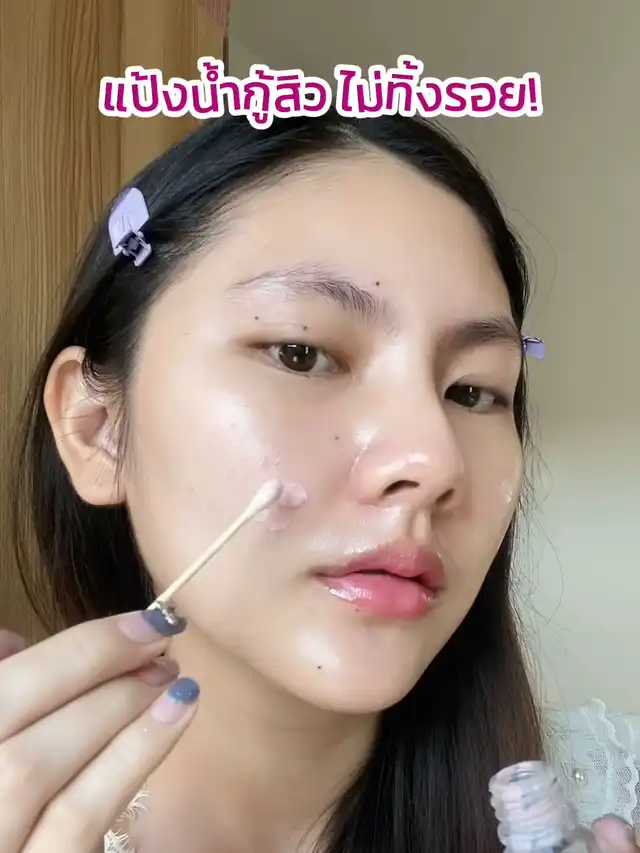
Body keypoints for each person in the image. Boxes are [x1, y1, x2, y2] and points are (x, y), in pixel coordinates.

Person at [3, 110, 637, 853]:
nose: (435, 463)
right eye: (300, 353)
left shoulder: (603, 801)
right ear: (96, 428)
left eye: (473, 391)